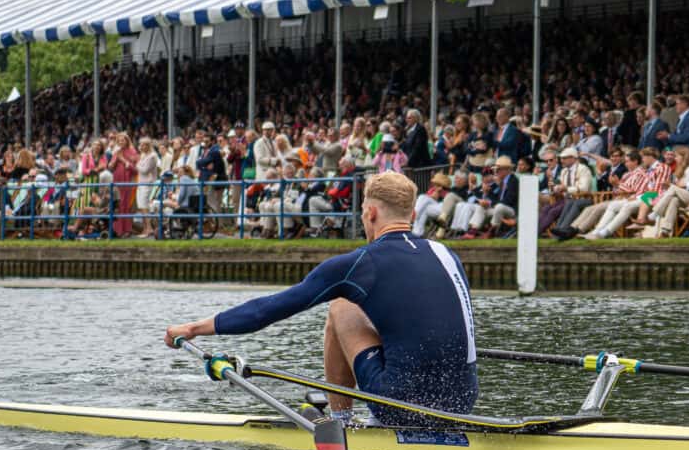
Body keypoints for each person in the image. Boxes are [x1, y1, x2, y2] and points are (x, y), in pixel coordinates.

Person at [163, 171, 478, 425]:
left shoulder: (359, 264)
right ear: (411, 213)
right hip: (462, 401)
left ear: (370, 212)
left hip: (397, 405)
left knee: (341, 305)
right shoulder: (447, 254)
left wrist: (193, 329)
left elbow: (267, 310)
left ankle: (340, 421)